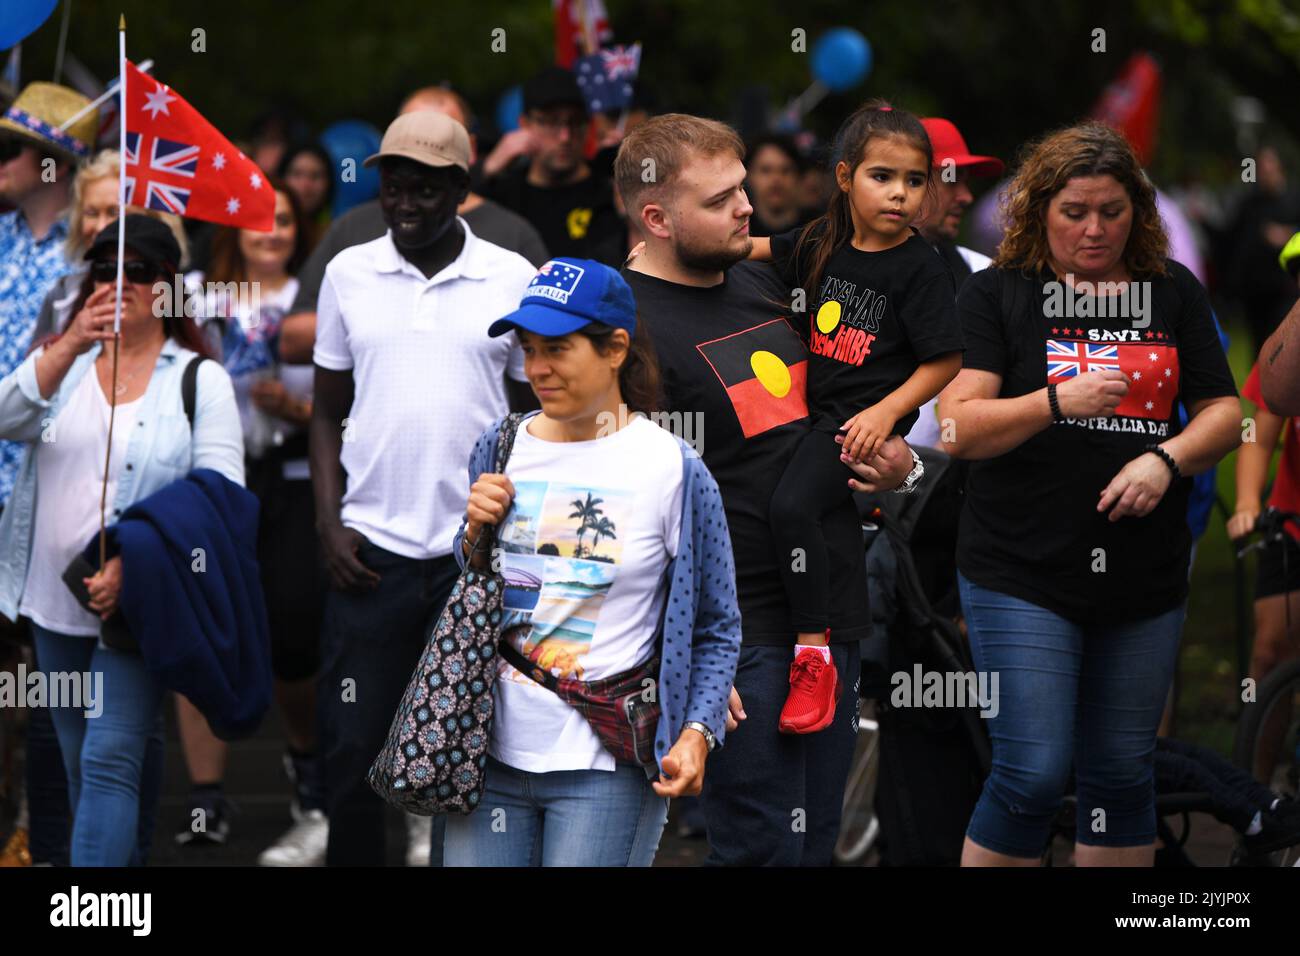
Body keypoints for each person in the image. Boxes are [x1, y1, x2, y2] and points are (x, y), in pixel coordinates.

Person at [615, 113, 919, 865]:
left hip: (830, 609)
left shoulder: (765, 280)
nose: (748, 208)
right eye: (721, 200)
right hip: (739, 632)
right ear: (656, 216)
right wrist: (684, 660)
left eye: (744, 189)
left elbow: (835, 408)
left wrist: (895, 463)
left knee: (815, 849)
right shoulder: (625, 328)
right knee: (759, 853)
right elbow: (622, 501)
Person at [937, 122, 1241, 866]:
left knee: (1120, 774)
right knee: (1033, 772)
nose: (1095, 229)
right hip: (1022, 568)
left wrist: (1166, 461)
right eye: (1075, 211)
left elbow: (1227, 415)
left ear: (1139, 211)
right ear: (1039, 208)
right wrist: (1053, 403)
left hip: (1145, 573)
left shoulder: (1169, 292)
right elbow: (956, 427)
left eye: (1113, 210)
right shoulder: (998, 294)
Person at [442, 258, 741, 866]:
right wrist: (474, 529)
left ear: (615, 349)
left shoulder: (672, 468)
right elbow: (474, 584)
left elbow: (716, 625)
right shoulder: (500, 446)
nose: (537, 369)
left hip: (604, 765)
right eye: (528, 349)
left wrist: (695, 734)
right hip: (486, 753)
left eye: (557, 348)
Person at [310, 110, 537, 866]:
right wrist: (329, 525)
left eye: (425, 190)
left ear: (462, 191)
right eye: (394, 186)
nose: (405, 202)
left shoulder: (511, 277)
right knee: (352, 750)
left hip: (473, 557)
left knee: (464, 750)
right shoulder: (348, 272)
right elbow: (324, 410)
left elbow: (532, 414)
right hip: (369, 550)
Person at [0, 214, 243, 865]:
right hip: (54, 605)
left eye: (139, 271)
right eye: (104, 268)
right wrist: (71, 341)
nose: (120, 281)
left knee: (109, 762)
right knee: (84, 766)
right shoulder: (64, 366)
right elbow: (5, 417)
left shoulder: (201, 380)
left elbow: (221, 500)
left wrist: (137, 564)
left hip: (137, 606)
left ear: (167, 288)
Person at [747, 101, 963, 732]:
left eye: (915, 181)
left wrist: (887, 412)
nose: (901, 194)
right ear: (844, 178)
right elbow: (758, 246)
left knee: (791, 509)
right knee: (786, 512)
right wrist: (678, 246)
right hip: (805, 413)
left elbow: (945, 359)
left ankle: (814, 655)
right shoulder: (823, 240)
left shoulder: (921, 266)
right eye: (883, 177)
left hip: (854, 426)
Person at [166, 182, 328, 866]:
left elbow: (344, 402)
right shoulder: (198, 294)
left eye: (285, 220)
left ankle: (307, 770)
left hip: (289, 484)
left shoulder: (313, 303)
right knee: (205, 635)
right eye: (259, 218)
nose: (272, 231)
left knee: (294, 641)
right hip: (209, 483)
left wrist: (296, 413)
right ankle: (205, 797)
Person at [276, 85, 547, 366]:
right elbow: (291, 340)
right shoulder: (352, 232)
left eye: (436, 136)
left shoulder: (515, 241)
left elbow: (547, 346)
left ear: (471, 149)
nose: (418, 147)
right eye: (406, 135)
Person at [905, 117, 1003, 449]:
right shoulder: (827, 268)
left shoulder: (986, 277)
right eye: (951, 178)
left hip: (946, 488)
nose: (966, 196)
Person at [29, 149, 190, 344]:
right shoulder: (62, 294)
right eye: (91, 213)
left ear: (153, 220)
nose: (101, 227)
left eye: (114, 212)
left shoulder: (188, 301)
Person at [477, 67, 624, 265]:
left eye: (575, 122)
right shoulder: (504, 194)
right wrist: (486, 168)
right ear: (524, 124)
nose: (565, 136)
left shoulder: (609, 193)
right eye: (551, 122)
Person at [1229, 360, 1300, 766]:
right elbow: (1256, 435)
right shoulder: (1291, 344)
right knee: (1270, 653)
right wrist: (1247, 502)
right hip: (1291, 521)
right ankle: (1257, 793)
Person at [744, 134, 811, 238]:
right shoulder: (738, 230)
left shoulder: (816, 230)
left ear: (798, 176)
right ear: (749, 176)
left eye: (785, 170)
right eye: (766, 170)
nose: (776, 179)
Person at [277, 143, 334, 253]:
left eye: (315, 176)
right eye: (297, 174)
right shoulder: (266, 231)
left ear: (329, 183)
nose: (305, 185)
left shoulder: (336, 233)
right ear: (281, 178)